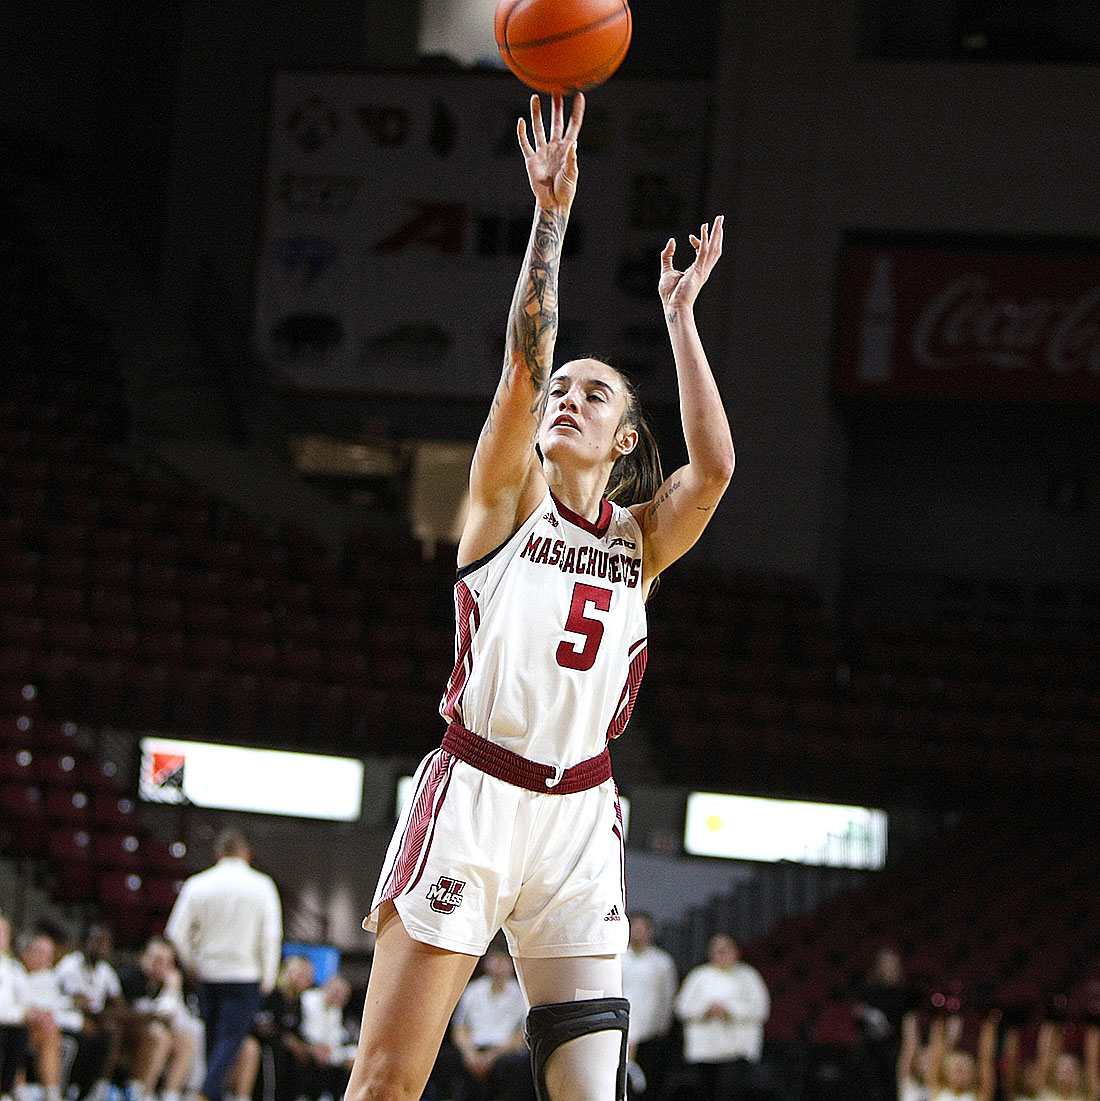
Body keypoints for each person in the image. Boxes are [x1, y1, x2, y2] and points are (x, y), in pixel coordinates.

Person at [341, 89, 733, 1101]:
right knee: (386, 1084)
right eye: (565, 388)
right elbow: (522, 365)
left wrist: (679, 319)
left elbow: (715, 471)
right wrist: (549, 218)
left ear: (626, 440)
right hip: (473, 795)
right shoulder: (506, 503)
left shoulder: (638, 541)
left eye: (592, 394)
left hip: (579, 817)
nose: (565, 398)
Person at [165, 828, 282, 1101]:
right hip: (244, 974)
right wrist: (269, 976)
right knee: (230, 1041)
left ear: (217, 853)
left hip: (208, 973)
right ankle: (205, 1093)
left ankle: (211, 1093)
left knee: (213, 1041)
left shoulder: (198, 884)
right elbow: (270, 935)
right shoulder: (262, 885)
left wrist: (191, 963)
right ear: (248, 855)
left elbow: (175, 933)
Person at [672, 934, 771, 1100]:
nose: (722, 954)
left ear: (736, 952)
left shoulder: (749, 976)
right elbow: (682, 1007)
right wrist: (706, 1010)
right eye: (718, 950)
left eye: (726, 949)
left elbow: (761, 1009)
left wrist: (729, 1010)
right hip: (705, 1050)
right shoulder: (699, 976)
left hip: (737, 1050)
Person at [116, 937, 199, 1101]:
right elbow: (131, 1014)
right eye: (157, 959)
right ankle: (144, 1094)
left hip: (154, 1033)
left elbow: (182, 1022)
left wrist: (172, 991)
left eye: (167, 962)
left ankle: (170, 1095)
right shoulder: (130, 978)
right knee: (160, 1036)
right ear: (144, 957)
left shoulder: (169, 985)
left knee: (185, 1039)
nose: (161, 966)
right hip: (130, 1034)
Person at [448, 947, 532, 1101]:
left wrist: (493, 1055)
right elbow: (460, 1027)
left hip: (504, 1052)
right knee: (447, 1060)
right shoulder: (473, 990)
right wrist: (469, 1053)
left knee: (516, 1066)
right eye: (495, 959)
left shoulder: (521, 994)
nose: (499, 965)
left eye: (504, 961)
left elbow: (521, 1034)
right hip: (475, 1048)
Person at [54, 925, 125, 1101]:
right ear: (85, 942)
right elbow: (74, 1002)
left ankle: (92, 1090)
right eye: (98, 942)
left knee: (110, 1032)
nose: (103, 948)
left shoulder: (105, 970)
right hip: (66, 1019)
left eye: (107, 943)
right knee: (89, 1033)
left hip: (93, 1020)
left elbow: (119, 1002)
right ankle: (71, 1089)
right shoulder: (69, 966)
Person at [619, 913, 678, 1099]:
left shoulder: (662, 962)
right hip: (620, 1031)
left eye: (641, 928)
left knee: (648, 1086)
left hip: (650, 1034)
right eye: (634, 928)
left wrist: (662, 1027)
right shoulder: (618, 958)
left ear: (650, 931)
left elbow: (668, 996)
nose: (637, 933)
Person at [19, 931, 82, 1101]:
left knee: (50, 1033)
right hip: (13, 1022)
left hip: (35, 1027)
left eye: (47, 955)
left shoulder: (48, 977)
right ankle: (16, 1089)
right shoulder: (12, 970)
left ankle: (51, 1093)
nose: (43, 958)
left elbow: (55, 1009)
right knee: (16, 1034)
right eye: (39, 952)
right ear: (24, 951)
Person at [0, 913, 30, 1101]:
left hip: (10, 1022)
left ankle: (6, 1090)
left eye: (4, 932)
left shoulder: (13, 967)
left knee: (20, 1032)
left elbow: (26, 1002)